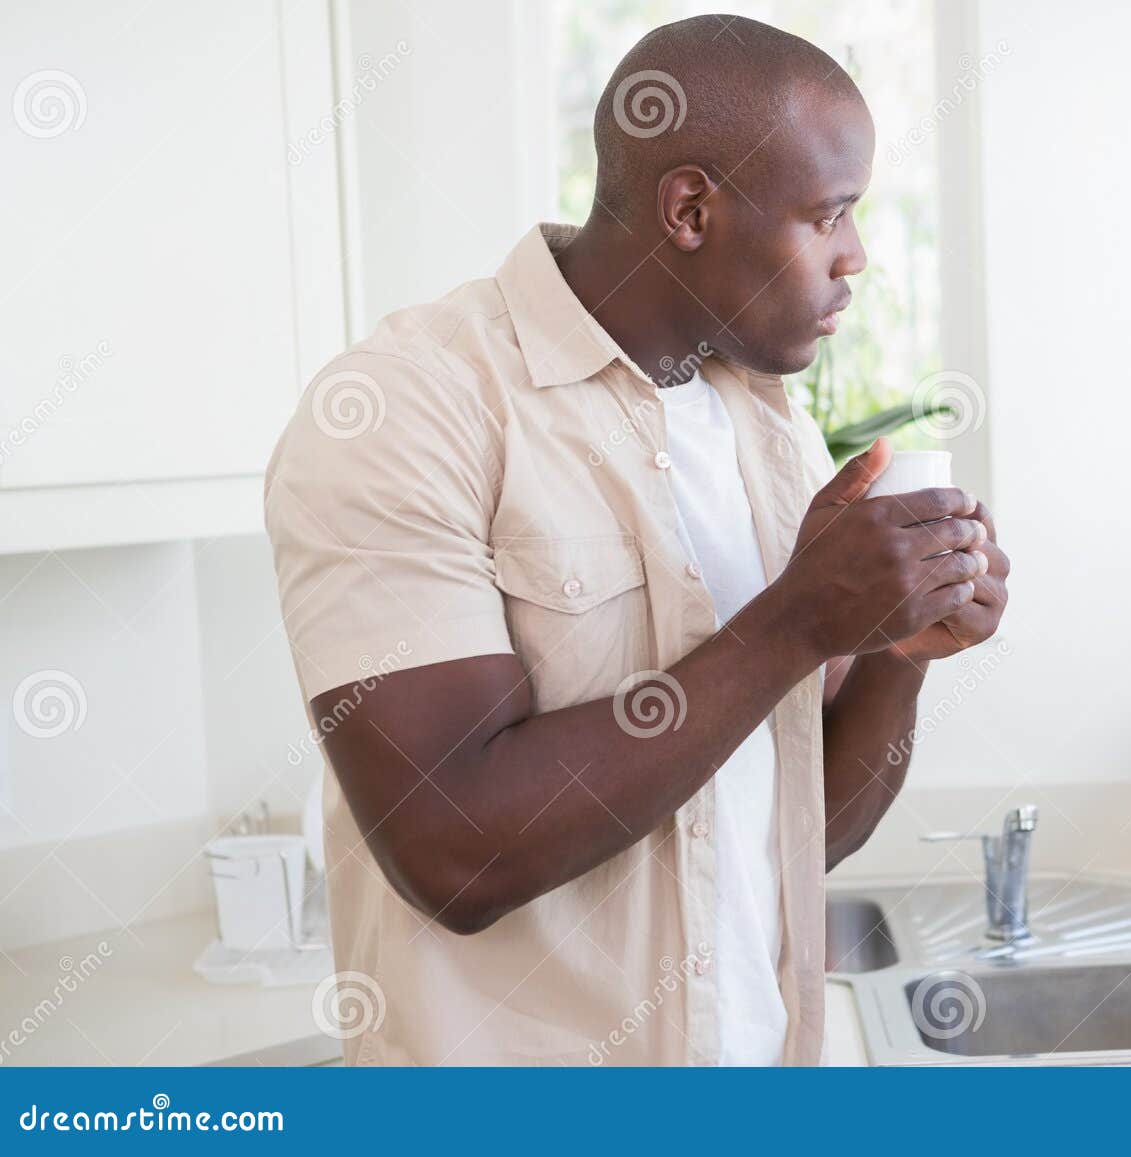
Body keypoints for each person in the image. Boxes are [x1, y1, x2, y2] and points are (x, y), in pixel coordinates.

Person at [263, 13, 1010, 1066]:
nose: (857, 258)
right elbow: (451, 852)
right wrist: (798, 620)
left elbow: (808, 831)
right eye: (828, 214)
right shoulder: (405, 408)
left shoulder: (773, 428)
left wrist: (895, 650)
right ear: (691, 208)